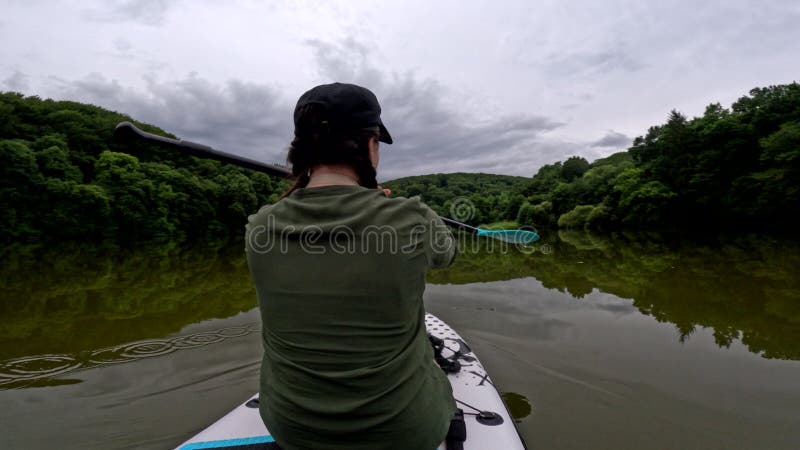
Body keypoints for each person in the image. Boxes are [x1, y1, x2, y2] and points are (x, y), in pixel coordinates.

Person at [245, 82, 457, 450]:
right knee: (432, 363)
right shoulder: (412, 219)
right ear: (370, 145)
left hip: (291, 428)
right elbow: (447, 255)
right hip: (403, 433)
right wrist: (392, 208)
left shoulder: (259, 227)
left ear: (303, 148)